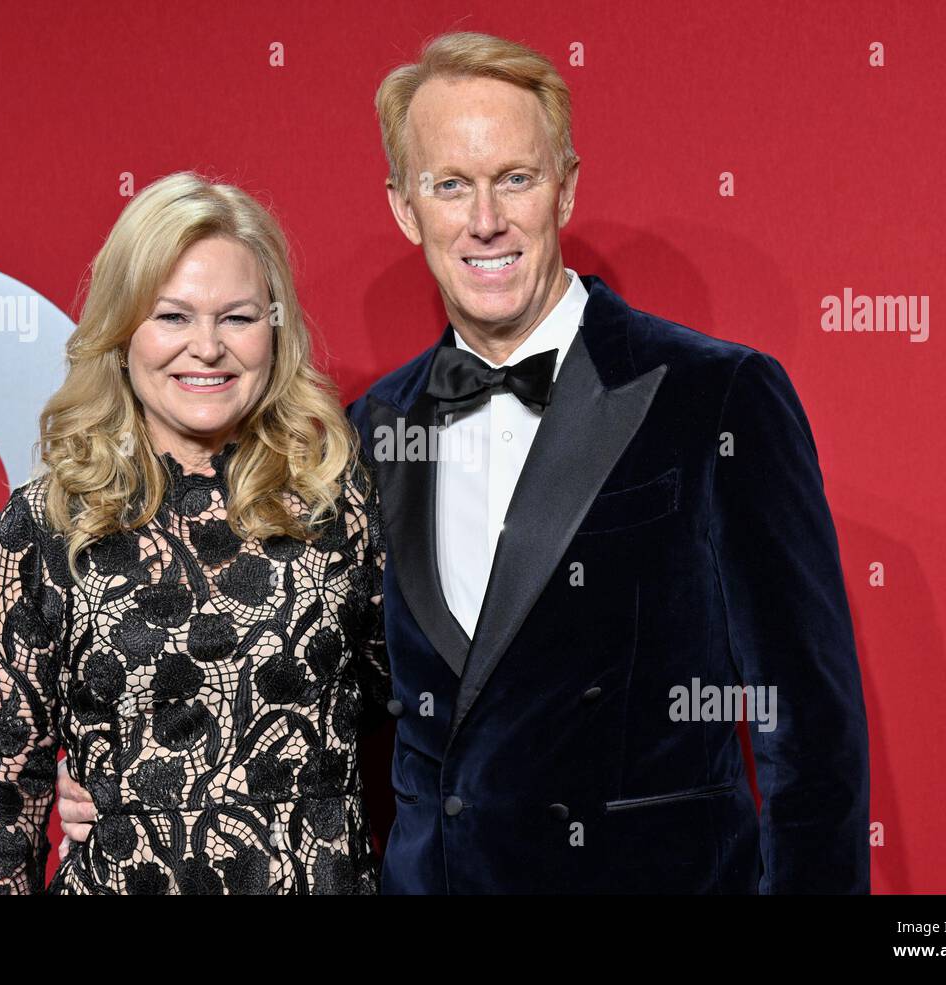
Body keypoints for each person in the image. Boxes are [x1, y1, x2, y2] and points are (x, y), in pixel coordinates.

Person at [61, 31, 872, 894]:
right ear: (406, 207)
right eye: (450, 185)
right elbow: (313, 684)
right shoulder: (365, 434)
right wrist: (131, 783)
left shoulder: (718, 396)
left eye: (515, 178)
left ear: (565, 188)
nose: (485, 220)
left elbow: (806, 728)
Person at [0, 171, 390, 894]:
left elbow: (418, 713)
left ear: (274, 329)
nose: (207, 348)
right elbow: (8, 786)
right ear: (122, 331)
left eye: (237, 317)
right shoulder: (44, 524)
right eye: (172, 316)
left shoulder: (338, 501)